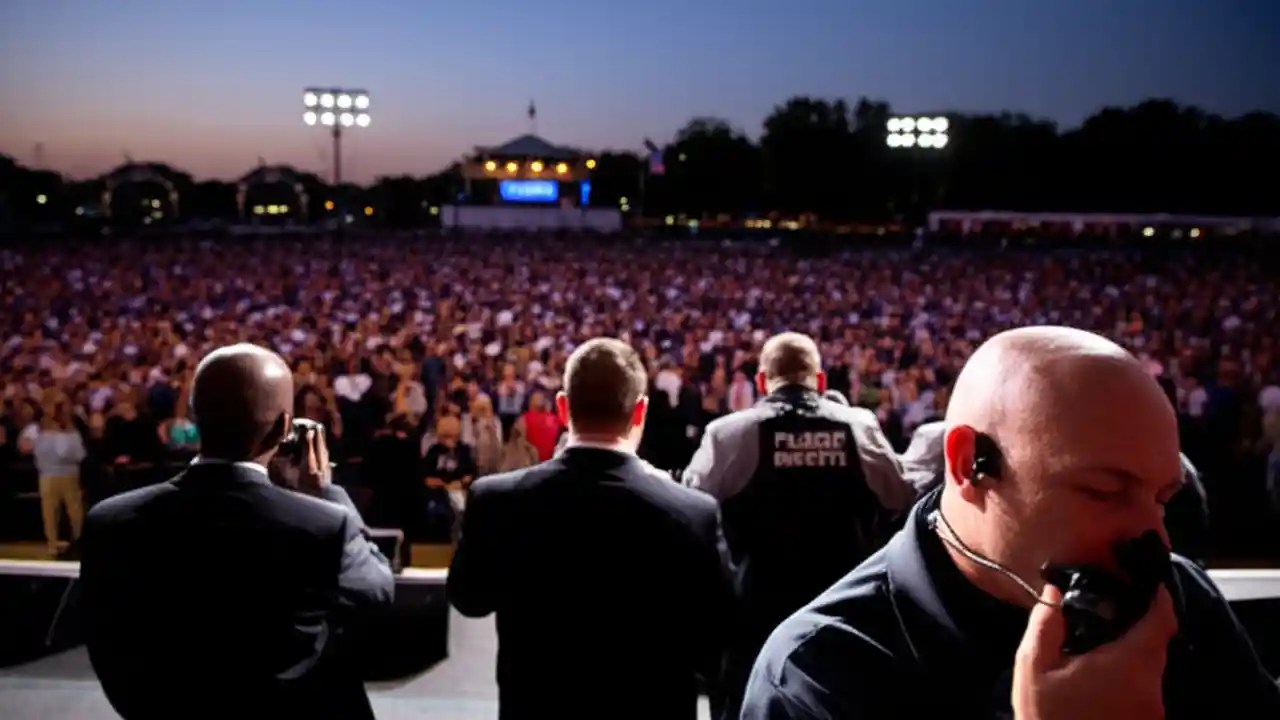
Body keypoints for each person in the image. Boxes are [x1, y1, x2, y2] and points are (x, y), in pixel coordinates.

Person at [743, 326, 1280, 719]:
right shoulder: (819, 674)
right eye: (1105, 491)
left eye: (1162, 499)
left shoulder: (1183, 599)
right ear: (969, 464)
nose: (1156, 538)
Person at [81, 343, 394, 720]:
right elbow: (377, 589)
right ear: (284, 427)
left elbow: (107, 645)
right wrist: (325, 492)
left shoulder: (111, 521)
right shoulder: (322, 525)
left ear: (195, 415)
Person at [448, 337, 734, 720]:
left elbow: (469, 598)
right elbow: (717, 635)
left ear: (563, 408)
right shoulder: (691, 513)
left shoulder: (497, 499)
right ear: (640, 413)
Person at [683, 332, 916, 719]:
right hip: (842, 617)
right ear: (821, 383)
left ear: (761, 382)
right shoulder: (858, 426)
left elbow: (693, 506)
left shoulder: (729, 434)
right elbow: (898, 498)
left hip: (755, 621)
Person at [31, 396, 87, 557]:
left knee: (73, 511)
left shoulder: (71, 433)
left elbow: (78, 454)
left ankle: (77, 542)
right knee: (51, 512)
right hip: (50, 475)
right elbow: (41, 454)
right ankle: (53, 544)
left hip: (67, 475)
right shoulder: (43, 433)